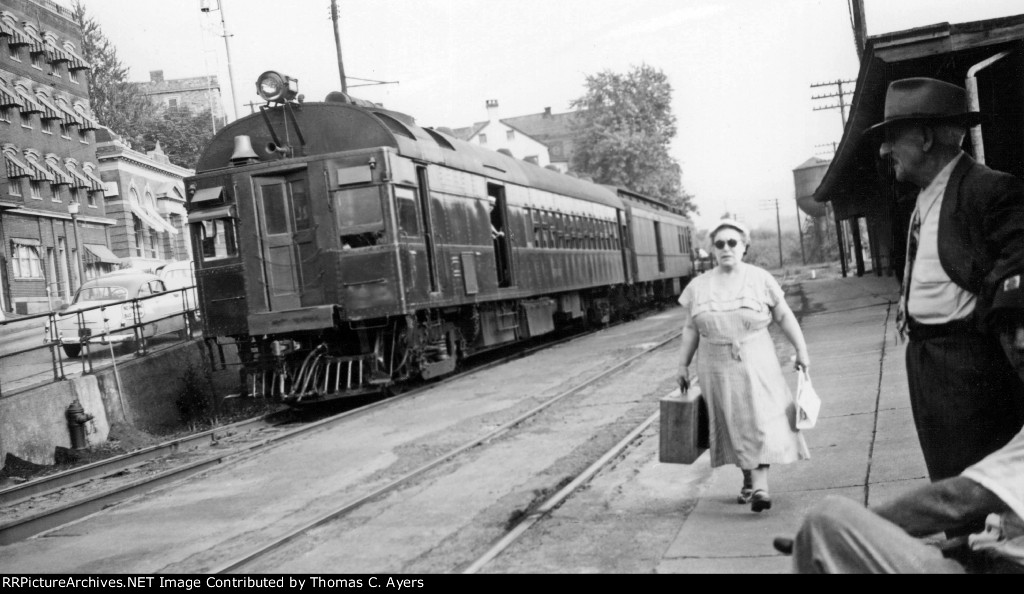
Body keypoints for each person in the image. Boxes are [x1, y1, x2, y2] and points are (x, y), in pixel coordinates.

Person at [867, 77, 1024, 488]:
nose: (884, 149)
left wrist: (1003, 314)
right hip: (928, 360)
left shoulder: (988, 189)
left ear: (922, 138)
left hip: (968, 362)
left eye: (891, 137)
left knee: (974, 482)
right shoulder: (925, 195)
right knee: (945, 472)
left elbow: (1018, 256)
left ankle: (978, 550)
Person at [676, 218, 811, 512]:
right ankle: (749, 480)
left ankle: (760, 487)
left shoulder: (760, 278)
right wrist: (682, 365)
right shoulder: (698, 286)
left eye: (732, 243)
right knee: (733, 423)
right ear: (712, 249)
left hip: (756, 359)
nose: (726, 248)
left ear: (744, 247)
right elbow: (690, 329)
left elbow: (785, 316)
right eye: (719, 243)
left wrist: (801, 349)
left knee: (760, 419)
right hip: (715, 365)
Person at [787, 420, 1024, 574]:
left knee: (827, 520)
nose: (1019, 344)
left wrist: (863, 529)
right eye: (1009, 337)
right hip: (987, 556)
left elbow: (953, 501)